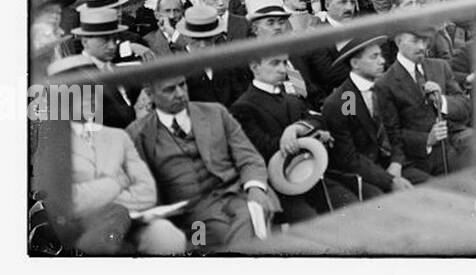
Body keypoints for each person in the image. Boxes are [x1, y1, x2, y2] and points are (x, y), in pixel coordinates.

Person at [37, 53, 187, 256]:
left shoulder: (115, 137)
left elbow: (146, 192)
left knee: (168, 236)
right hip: (82, 234)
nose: (90, 99)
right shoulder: (53, 145)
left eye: (94, 92)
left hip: (129, 222)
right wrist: (117, 184)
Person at [127, 74, 276, 253]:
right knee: (222, 233)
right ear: (150, 94)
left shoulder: (215, 112)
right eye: (169, 89)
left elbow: (249, 156)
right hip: (190, 213)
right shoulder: (138, 134)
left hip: (235, 193)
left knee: (251, 214)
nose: (180, 93)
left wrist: (255, 188)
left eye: (182, 85)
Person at [231, 51, 358, 221]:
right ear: (255, 68)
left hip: (312, 173)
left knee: (352, 206)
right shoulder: (243, 106)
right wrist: (308, 139)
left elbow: (317, 119)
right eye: (275, 63)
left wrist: (295, 129)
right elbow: (262, 147)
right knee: (311, 222)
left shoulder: (290, 98)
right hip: (281, 185)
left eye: (284, 63)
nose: (283, 69)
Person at [321, 36, 431, 198]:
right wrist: (389, 180)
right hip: (363, 174)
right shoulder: (345, 99)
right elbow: (350, 159)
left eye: (380, 55)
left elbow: (394, 132)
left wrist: (396, 162)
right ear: (355, 64)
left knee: (431, 186)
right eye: (374, 57)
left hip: (391, 165)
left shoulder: (381, 89)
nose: (382, 61)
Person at [374, 27, 471, 176]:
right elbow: (390, 133)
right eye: (415, 41)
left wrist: (442, 102)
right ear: (399, 41)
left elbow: (464, 106)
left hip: (452, 142)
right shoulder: (385, 83)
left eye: (424, 41)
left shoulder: (440, 66)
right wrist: (426, 139)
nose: (421, 47)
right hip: (419, 155)